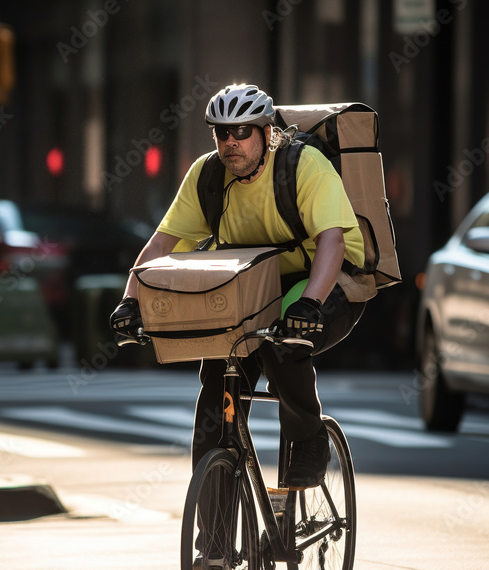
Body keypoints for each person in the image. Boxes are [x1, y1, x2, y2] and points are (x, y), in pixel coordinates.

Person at [110, 83, 365, 489]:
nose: (231, 142)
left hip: (324, 279)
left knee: (286, 345)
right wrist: (130, 300)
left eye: (243, 131)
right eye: (222, 132)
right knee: (216, 378)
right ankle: (211, 538)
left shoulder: (304, 166)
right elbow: (162, 242)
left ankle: (310, 439)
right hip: (252, 288)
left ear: (266, 132)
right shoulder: (207, 176)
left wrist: (310, 305)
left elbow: (332, 242)